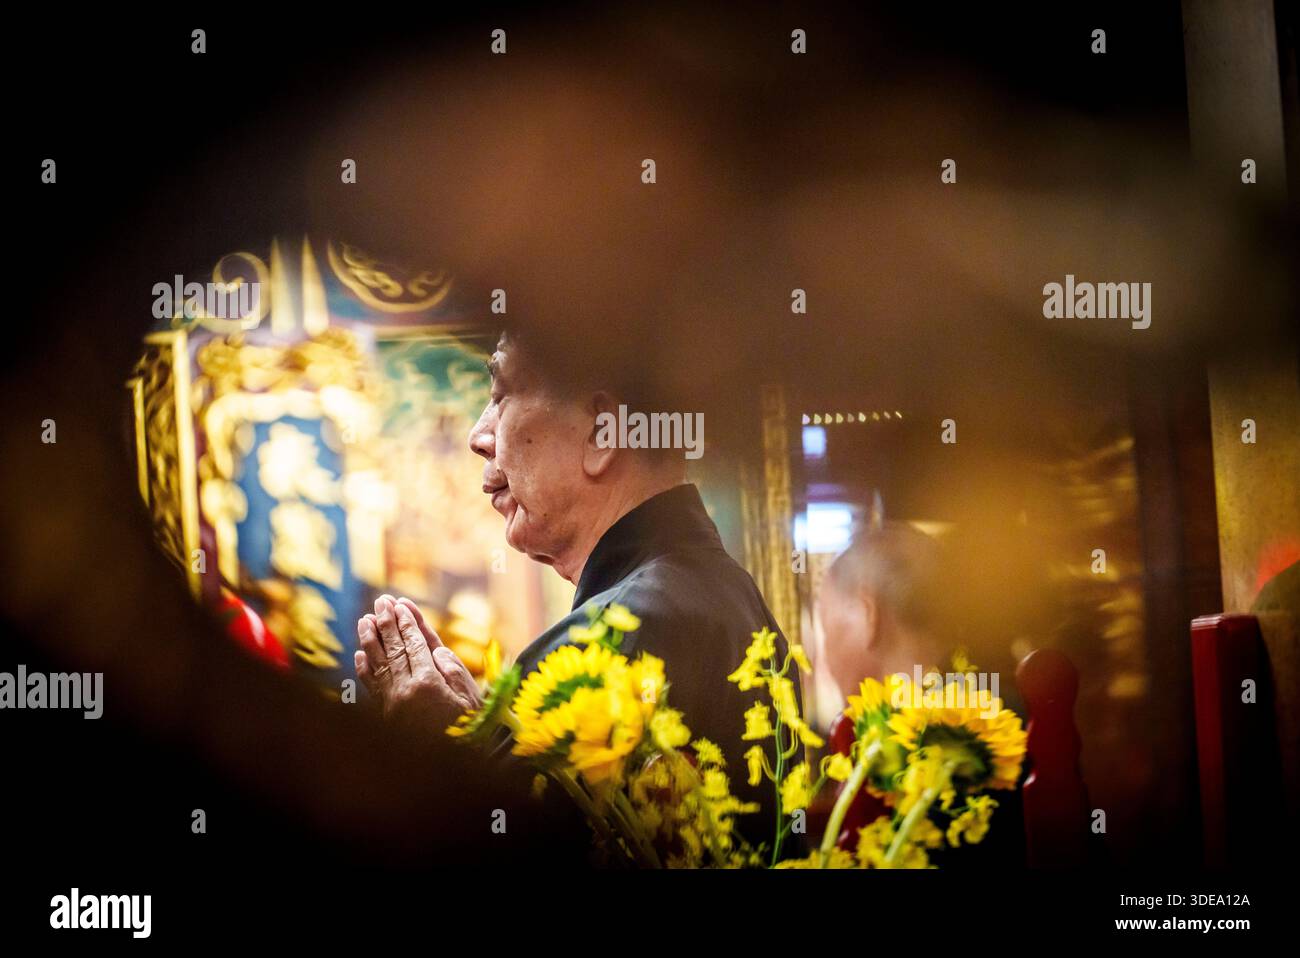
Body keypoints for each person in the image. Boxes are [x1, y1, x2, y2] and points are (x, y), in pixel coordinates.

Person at [352, 327, 798, 855]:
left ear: (602, 434)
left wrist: (440, 756)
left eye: (501, 395)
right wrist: (493, 741)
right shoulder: (725, 592)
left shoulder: (613, 636)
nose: (479, 434)